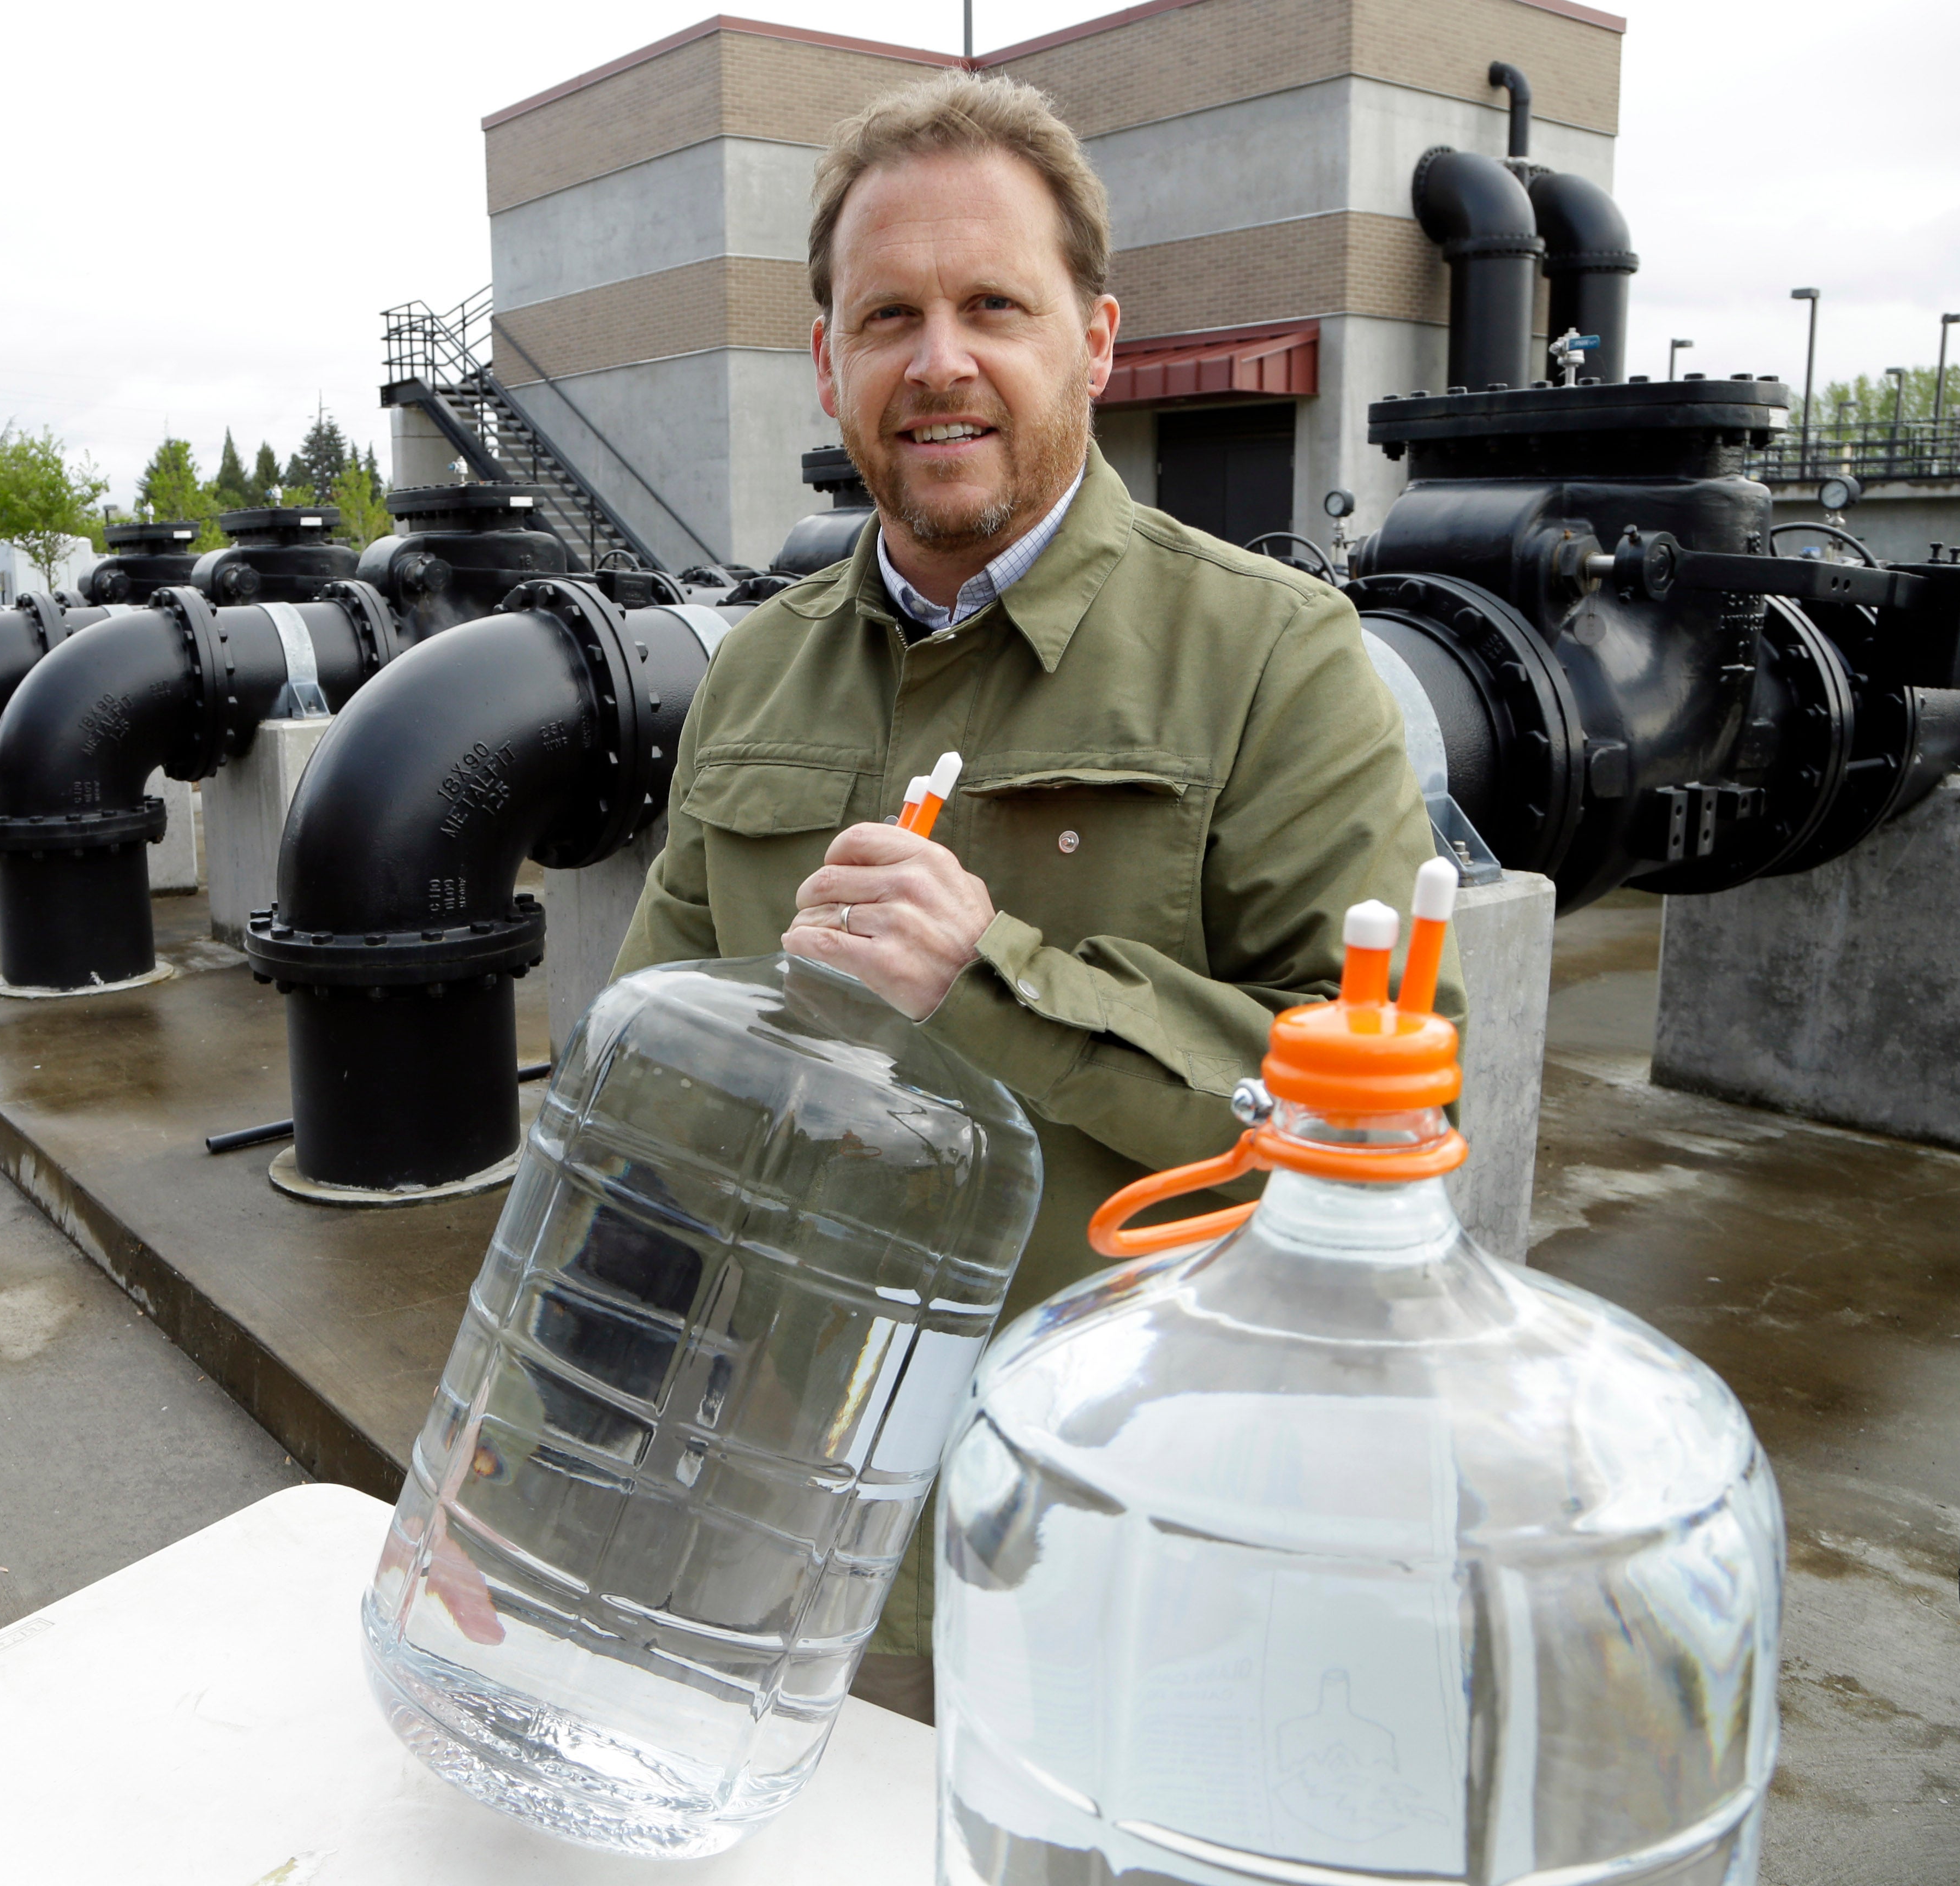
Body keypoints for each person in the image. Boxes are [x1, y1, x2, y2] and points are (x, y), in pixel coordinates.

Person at [610, 71, 1461, 1721]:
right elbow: (645, 1107)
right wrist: (531, 1450)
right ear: (828, 364)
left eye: (992, 304)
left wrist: (986, 981)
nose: (938, 361)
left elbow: (1372, 1121)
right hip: (792, 1511)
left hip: (1141, 1529)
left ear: (1095, 337)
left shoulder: (1271, 663)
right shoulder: (753, 679)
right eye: (888, 316)